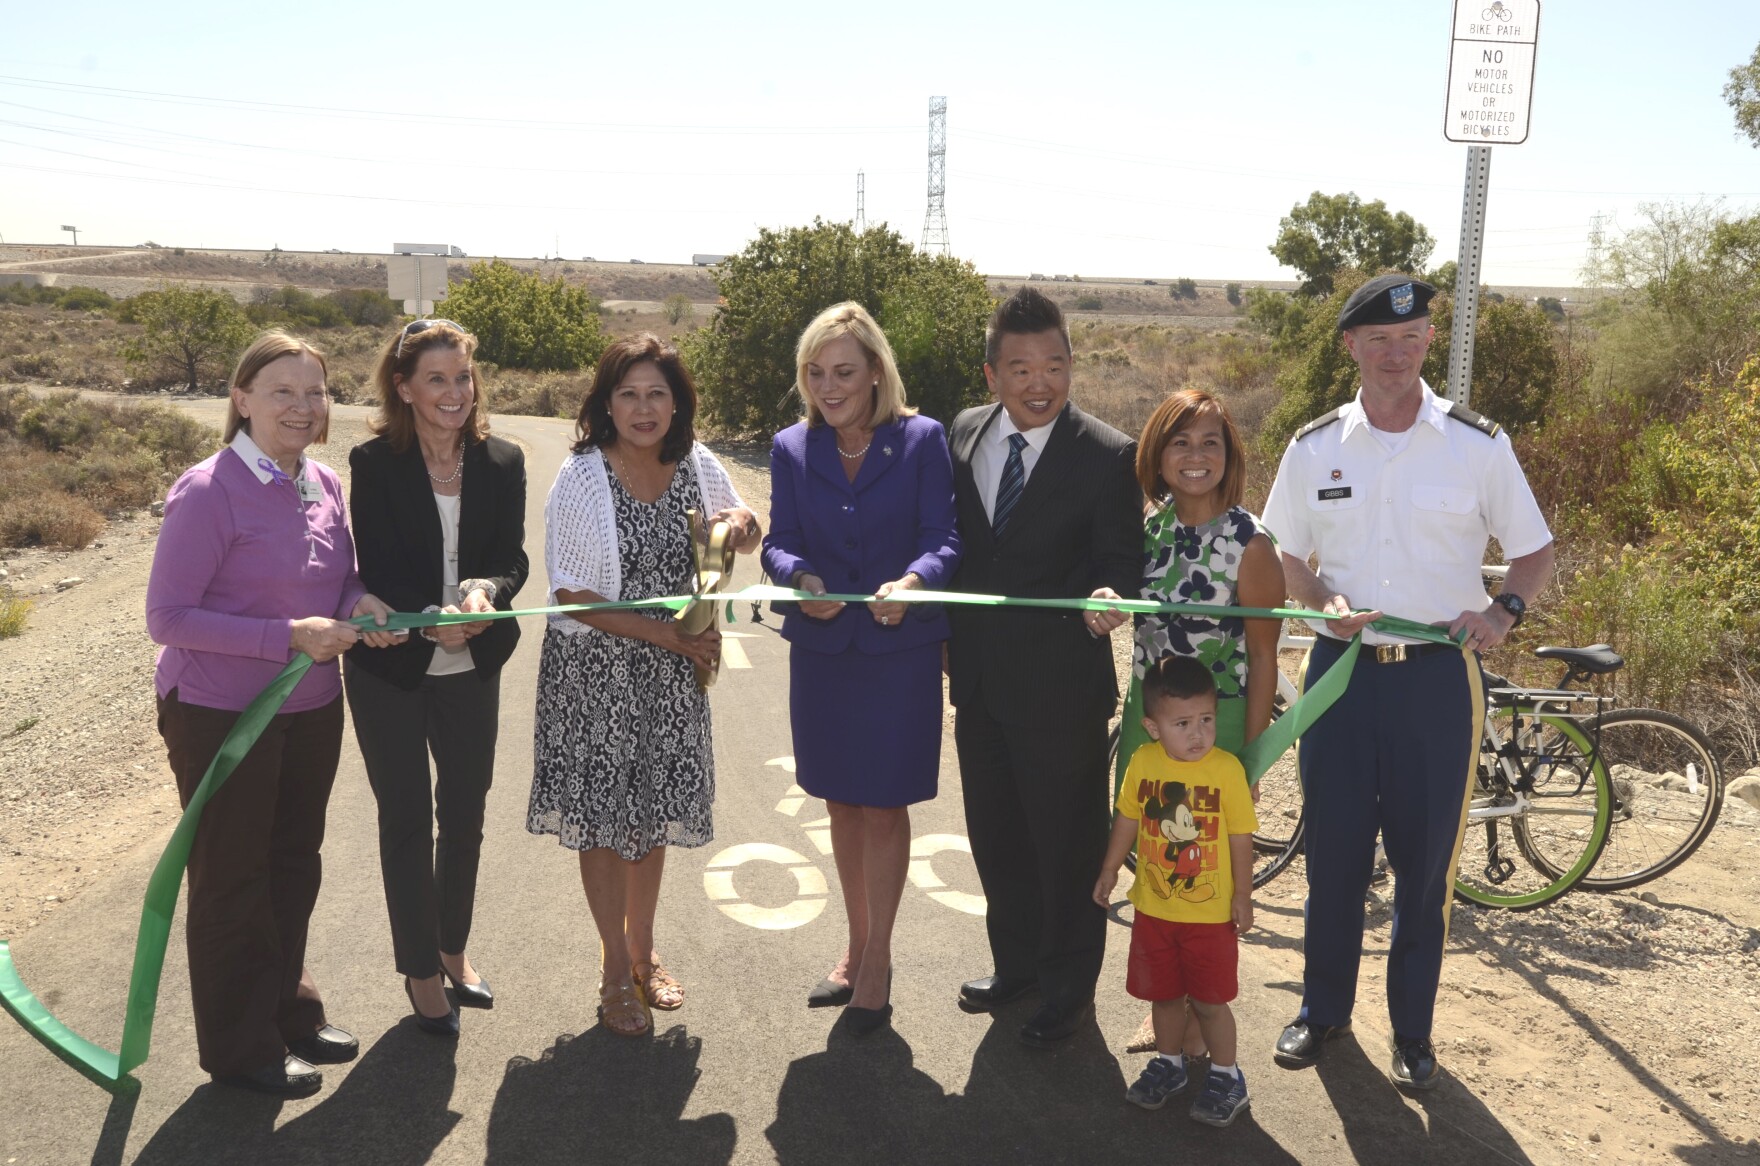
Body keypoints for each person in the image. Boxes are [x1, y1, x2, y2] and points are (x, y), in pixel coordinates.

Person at [1259, 274, 1554, 1090]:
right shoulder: (1315, 446)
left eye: (1412, 336)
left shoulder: (1476, 443)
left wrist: (1505, 613)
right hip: (1342, 678)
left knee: (1425, 870)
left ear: (1431, 340)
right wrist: (1321, 599)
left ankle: (1413, 1034)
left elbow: (1533, 550)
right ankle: (1322, 1014)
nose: (1397, 352)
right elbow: (1284, 553)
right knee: (1336, 858)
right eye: (1379, 340)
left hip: (1436, 687)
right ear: (1351, 346)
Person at [145, 330, 395, 1097]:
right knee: (231, 879)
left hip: (312, 706)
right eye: (282, 391)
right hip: (222, 714)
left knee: (293, 864)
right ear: (242, 399)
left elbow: (339, 579)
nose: (302, 406)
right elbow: (169, 617)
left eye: (314, 392)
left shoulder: (322, 481)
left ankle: (289, 1010)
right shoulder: (208, 489)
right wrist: (285, 637)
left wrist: (362, 603)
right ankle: (240, 1048)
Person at [529, 333, 761, 1038]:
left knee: (651, 816)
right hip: (595, 673)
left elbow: (742, 528)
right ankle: (610, 972)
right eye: (627, 393)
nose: (643, 407)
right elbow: (569, 592)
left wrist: (744, 524)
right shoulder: (581, 474)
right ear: (606, 402)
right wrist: (665, 634)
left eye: (656, 393)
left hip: (671, 677)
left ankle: (643, 950)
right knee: (602, 822)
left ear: (676, 402)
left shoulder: (696, 462)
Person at [946, 286, 1142, 1046]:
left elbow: (1123, 564)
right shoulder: (962, 434)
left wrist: (1109, 597)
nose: (1040, 383)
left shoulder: (1107, 454)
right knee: (998, 839)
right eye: (1021, 367)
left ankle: (1068, 989)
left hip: (1062, 693)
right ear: (992, 374)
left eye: (1054, 365)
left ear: (1070, 367)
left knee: (1066, 849)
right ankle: (1018, 965)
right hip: (982, 688)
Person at [760, 302, 961, 1036]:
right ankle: (853, 946)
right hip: (823, 657)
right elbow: (777, 541)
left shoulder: (921, 439)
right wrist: (802, 577)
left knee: (884, 805)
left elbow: (943, 537)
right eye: (815, 373)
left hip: (899, 654)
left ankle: (878, 960)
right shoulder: (790, 446)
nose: (828, 386)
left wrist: (913, 582)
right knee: (841, 803)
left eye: (844, 371)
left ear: (876, 371)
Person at [344, 318, 528, 1037]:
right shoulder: (374, 462)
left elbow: (511, 559)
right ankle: (420, 970)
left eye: (463, 377)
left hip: (473, 663)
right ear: (404, 388)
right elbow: (378, 569)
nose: (454, 393)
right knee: (405, 820)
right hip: (392, 668)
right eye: (437, 380)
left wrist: (484, 591)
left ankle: (453, 949)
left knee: (466, 815)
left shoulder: (503, 460)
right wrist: (429, 617)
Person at [1092, 388, 1285, 1062]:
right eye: (1180, 442)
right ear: (1158, 454)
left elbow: (1264, 656)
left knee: (1205, 876)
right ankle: (1164, 1009)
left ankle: (1206, 1014)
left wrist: (1251, 760)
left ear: (1229, 455)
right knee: (1156, 862)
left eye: (1210, 442)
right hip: (1148, 728)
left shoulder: (1251, 542)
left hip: (1217, 727)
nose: (1195, 456)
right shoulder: (1142, 534)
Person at [1094, 657, 1256, 1127]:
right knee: (1163, 996)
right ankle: (1170, 1062)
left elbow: (1240, 837)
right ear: (1152, 725)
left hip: (1210, 919)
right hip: (1154, 910)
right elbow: (1126, 817)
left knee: (1209, 1001)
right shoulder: (1142, 763)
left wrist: (1242, 895)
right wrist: (1109, 868)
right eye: (1182, 723)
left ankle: (1227, 1075)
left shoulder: (1226, 770)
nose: (1198, 734)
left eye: (1207, 720)